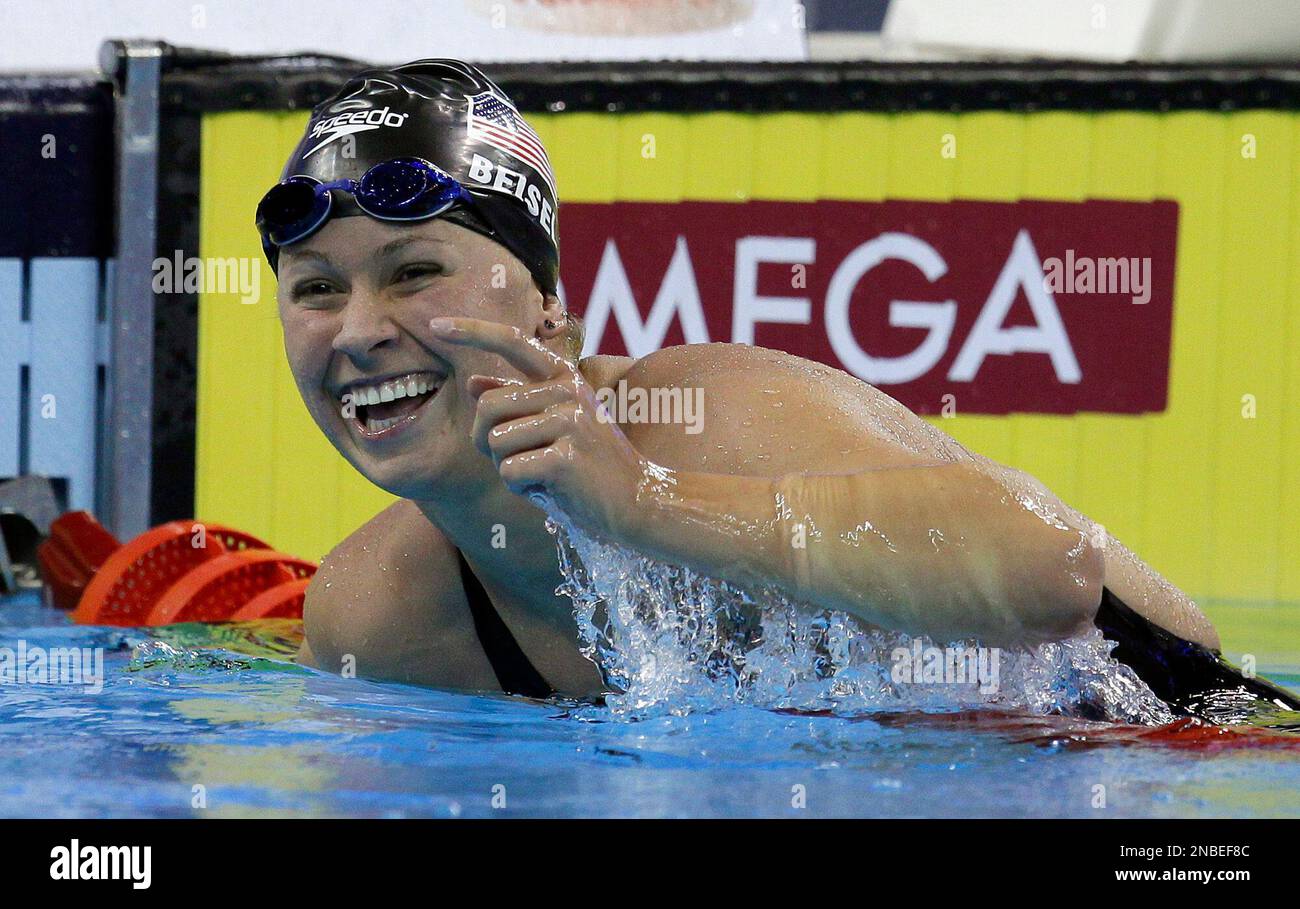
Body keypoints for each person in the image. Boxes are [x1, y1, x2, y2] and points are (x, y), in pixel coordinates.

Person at [257, 58, 1296, 717]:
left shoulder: (697, 420)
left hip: (1191, 761)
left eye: (413, 271)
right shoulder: (377, 619)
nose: (356, 333)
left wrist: (642, 506)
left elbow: (1051, 570)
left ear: (548, 310)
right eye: (315, 289)